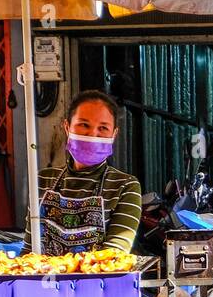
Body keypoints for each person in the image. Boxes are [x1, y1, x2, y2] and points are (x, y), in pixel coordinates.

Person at [27, 90, 142, 255]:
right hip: (44, 279)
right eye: (84, 125)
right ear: (67, 127)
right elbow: (29, 250)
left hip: (97, 280)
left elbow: (113, 256)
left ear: (114, 134)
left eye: (103, 128)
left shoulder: (125, 186)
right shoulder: (41, 180)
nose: (92, 134)